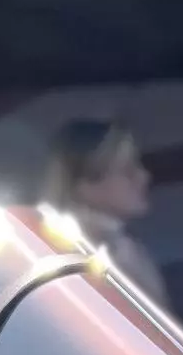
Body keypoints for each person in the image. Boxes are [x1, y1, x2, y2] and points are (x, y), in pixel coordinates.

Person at [44, 119, 168, 308]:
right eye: (127, 170)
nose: (144, 176)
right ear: (84, 187)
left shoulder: (124, 246)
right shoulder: (80, 261)